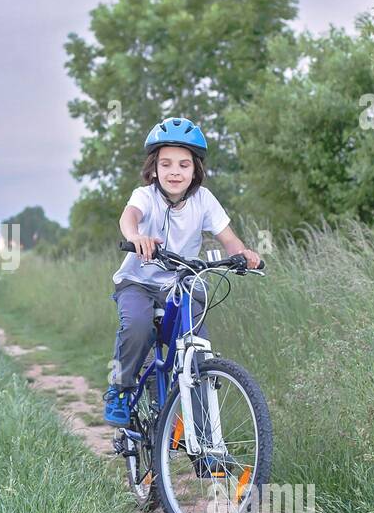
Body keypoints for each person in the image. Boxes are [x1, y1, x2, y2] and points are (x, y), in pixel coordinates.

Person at [104, 118, 262, 425]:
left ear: (195, 171)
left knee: (197, 351)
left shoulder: (204, 200)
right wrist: (136, 237)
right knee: (137, 325)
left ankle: (205, 442)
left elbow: (228, 238)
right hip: (138, 282)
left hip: (181, 284)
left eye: (183, 165)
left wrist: (243, 254)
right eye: (166, 164)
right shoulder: (144, 195)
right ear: (154, 169)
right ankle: (120, 389)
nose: (174, 172)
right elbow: (129, 217)